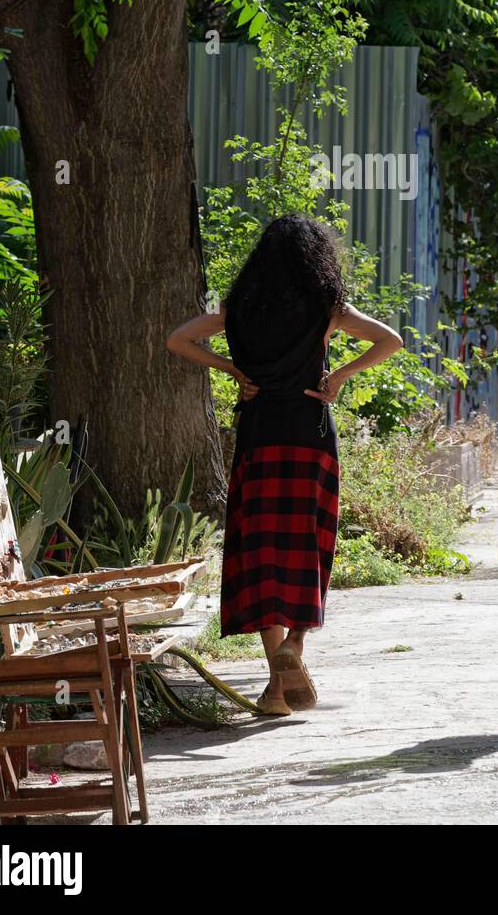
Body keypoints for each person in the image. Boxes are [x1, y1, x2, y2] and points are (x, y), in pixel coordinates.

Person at [166, 214, 402, 715]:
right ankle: (293, 647)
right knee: (306, 547)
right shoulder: (327, 307)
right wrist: (338, 375)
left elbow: (178, 340)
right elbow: (390, 340)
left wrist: (231, 368)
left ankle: (277, 686)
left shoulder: (240, 307)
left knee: (263, 551)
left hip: (259, 437)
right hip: (311, 438)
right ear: (317, 259)